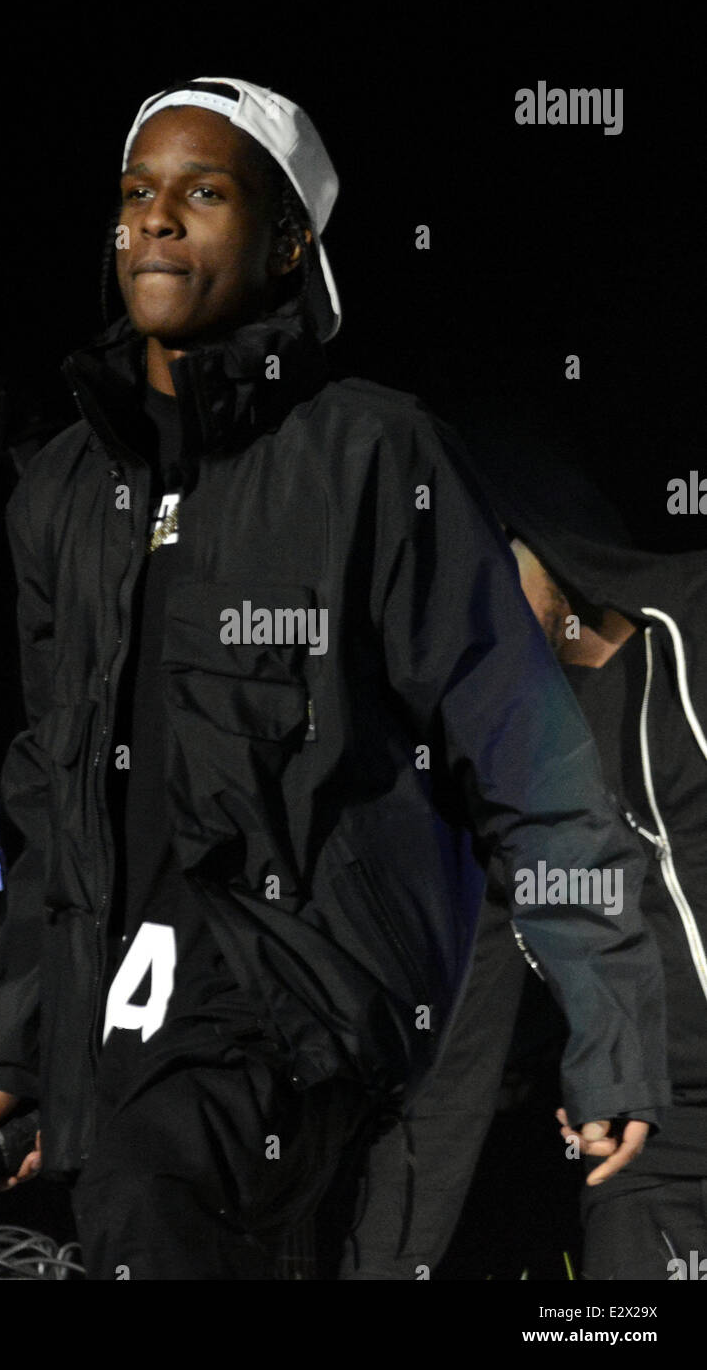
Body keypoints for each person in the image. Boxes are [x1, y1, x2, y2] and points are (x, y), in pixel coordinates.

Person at [0, 78, 670, 1281]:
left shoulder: (373, 454)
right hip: (118, 1025)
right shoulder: (64, 492)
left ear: (290, 243)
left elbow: (524, 751)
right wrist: (16, 1050)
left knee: (156, 1176)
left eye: (205, 192)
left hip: (301, 1003)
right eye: (137, 194)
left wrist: (608, 1034)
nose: (158, 220)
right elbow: (50, 798)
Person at [343, 424, 706, 1280]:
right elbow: (455, 1049)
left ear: (537, 538)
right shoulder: (495, 781)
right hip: (659, 1141)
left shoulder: (691, 630)